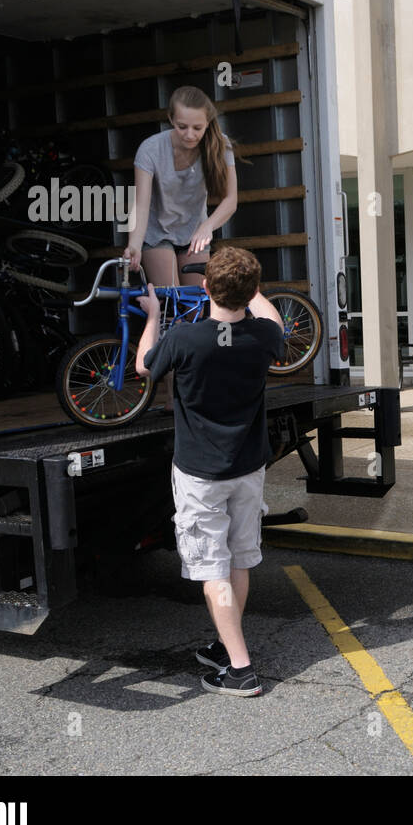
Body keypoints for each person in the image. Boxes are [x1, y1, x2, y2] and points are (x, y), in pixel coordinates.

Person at [136, 246, 285, 697]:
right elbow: (274, 320)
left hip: (202, 474)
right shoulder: (263, 336)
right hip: (248, 467)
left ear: (205, 289)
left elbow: (144, 364)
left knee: (213, 570)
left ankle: (240, 668)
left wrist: (152, 315)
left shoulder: (186, 337)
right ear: (252, 291)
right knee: (238, 559)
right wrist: (252, 290)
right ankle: (225, 644)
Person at [124, 85, 239, 289]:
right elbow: (141, 205)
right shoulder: (150, 149)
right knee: (171, 302)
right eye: (182, 126)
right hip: (157, 232)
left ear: (208, 123)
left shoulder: (221, 145)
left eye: (197, 128)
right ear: (170, 119)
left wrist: (207, 227)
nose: (189, 135)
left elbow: (231, 200)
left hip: (195, 231)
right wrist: (134, 244)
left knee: (195, 305)